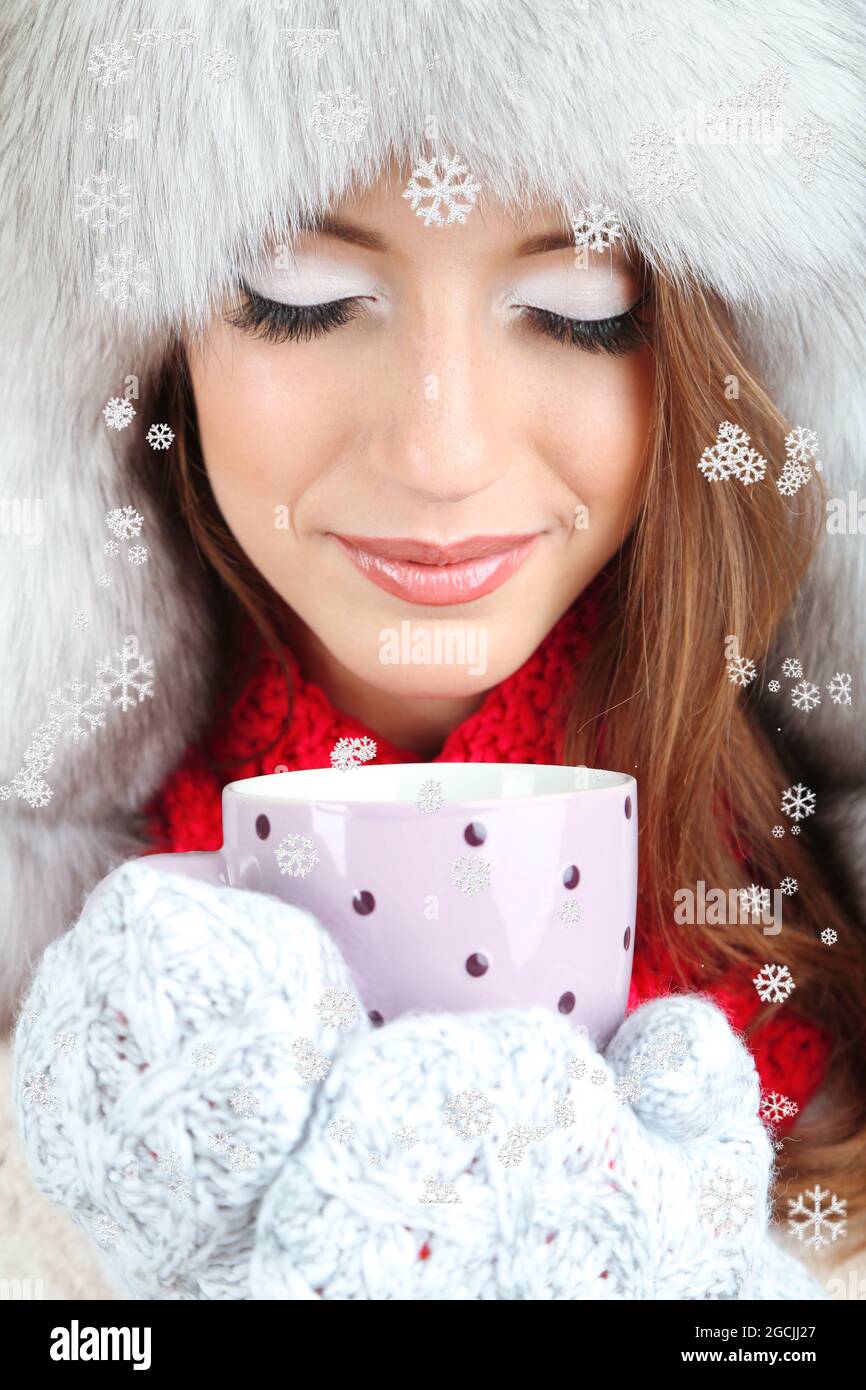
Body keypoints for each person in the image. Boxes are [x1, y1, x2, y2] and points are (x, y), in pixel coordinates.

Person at [3, 1, 864, 1297]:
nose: (440, 452)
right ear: (143, 347)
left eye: (579, 302)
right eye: (299, 294)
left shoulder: (823, 974)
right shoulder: (53, 1044)